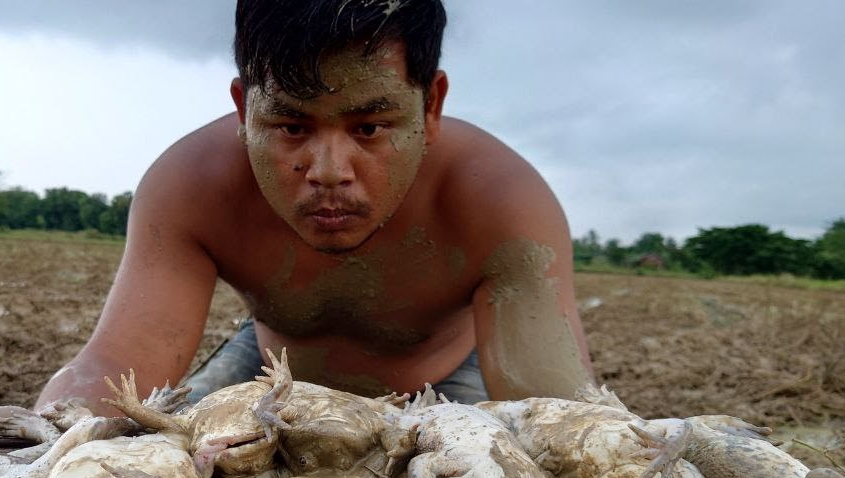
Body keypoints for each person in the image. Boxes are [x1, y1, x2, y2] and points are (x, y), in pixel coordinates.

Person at [36, 0, 593, 417]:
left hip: (441, 380)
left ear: (431, 106)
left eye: (369, 127)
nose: (329, 171)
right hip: (270, 368)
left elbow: (557, 412)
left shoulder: (501, 202)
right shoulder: (191, 189)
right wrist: (36, 438)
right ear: (243, 108)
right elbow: (116, 368)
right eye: (291, 126)